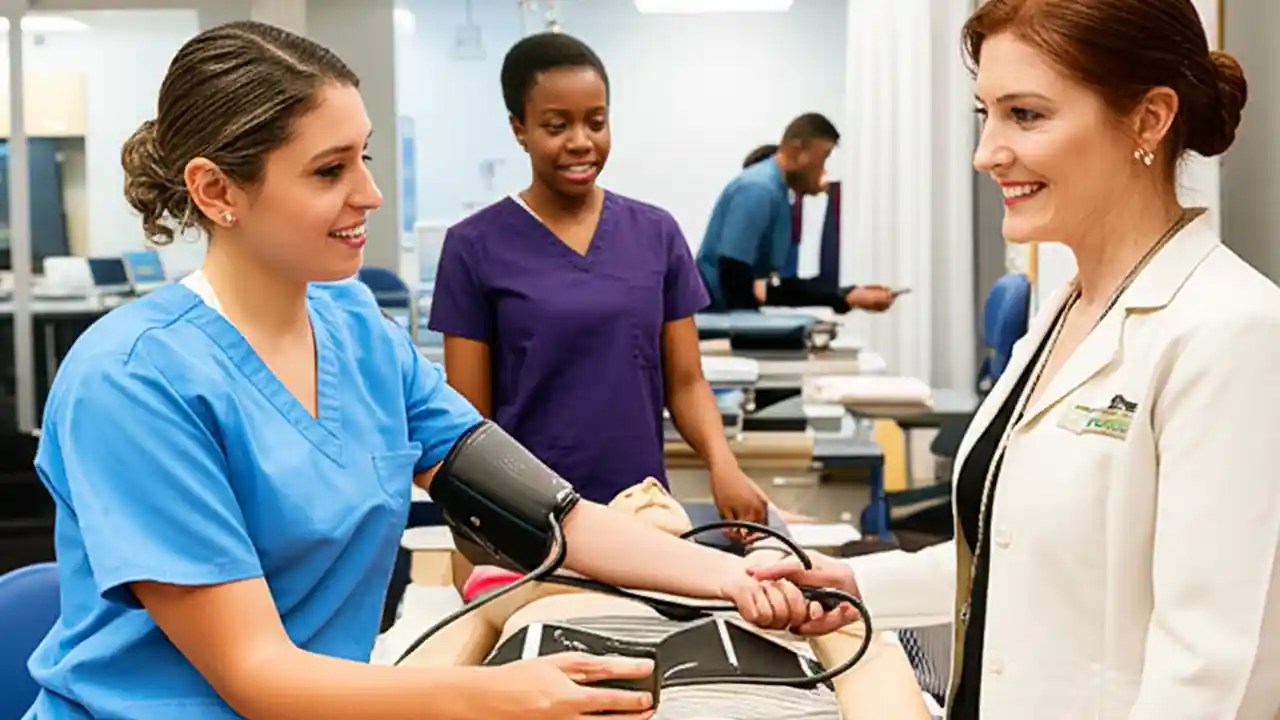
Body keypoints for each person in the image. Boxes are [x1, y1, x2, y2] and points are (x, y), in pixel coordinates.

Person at [22, 22, 856, 720]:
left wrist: (737, 576)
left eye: (366, 157)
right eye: (329, 170)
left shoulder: (356, 333)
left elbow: (549, 514)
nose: (370, 195)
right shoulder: (132, 383)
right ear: (215, 189)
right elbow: (255, 673)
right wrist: (491, 694)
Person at [750, 0, 1280, 718]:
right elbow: (1021, 549)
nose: (987, 151)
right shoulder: (1066, 310)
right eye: (985, 115)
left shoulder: (1230, 330)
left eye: (1025, 114)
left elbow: (1205, 666)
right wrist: (854, 584)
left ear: (1149, 120)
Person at [428, 32, 771, 531]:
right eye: (555, 125)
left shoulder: (656, 233)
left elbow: (687, 380)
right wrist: (478, 530)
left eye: (596, 121)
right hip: (530, 518)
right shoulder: (474, 246)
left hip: (642, 510)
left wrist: (724, 464)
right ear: (519, 129)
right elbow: (469, 420)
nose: (581, 142)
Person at [402, 477, 934, 720]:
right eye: (625, 498)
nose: (649, 484)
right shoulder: (542, 592)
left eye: (661, 494)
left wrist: (780, 575)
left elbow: (861, 650)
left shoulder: (774, 595)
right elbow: (441, 664)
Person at [696, 113, 897, 314]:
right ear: (795, 149)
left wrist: (847, 295)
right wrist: (753, 333)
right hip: (715, 318)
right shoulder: (757, 189)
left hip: (727, 315)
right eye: (823, 158)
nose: (823, 170)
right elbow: (734, 274)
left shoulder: (779, 194)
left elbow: (773, 286)